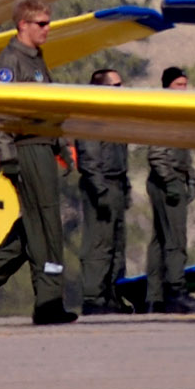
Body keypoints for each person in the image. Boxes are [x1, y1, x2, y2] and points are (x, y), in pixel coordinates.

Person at [0, 0, 79, 323]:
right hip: (26, 149)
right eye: (41, 23)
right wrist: (8, 158)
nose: (47, 29)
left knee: (37, 225)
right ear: (22, 25)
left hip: (43, 147)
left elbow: (47, 106)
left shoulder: (36, 61)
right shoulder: (9, 63)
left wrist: (62, 144)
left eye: (48, 22)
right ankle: (47, 303)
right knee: (43, 225)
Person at [143, 66, 195, 315]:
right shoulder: (163, 112)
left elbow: (183, 153)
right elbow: (156, 153)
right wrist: (171, 182)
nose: (183, 89)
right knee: (175, 240)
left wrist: (191, 178)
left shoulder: (177, 112)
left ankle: (154, 296)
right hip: (167, 182)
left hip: (173, 179)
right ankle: (175, 291)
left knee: (160, 240)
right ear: (167, 86)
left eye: (185, 84)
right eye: (178, 85)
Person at [77, 66, 134, 314]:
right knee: (99, 244)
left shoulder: (116, 117)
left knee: (117, 244)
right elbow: (88, 160)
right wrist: (100, 191)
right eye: (116, 86)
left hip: (117, 183)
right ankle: (93, 298)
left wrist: (126, 186)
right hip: (100, 186)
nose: (121, 90)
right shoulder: (90, 116)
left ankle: (112, 294)